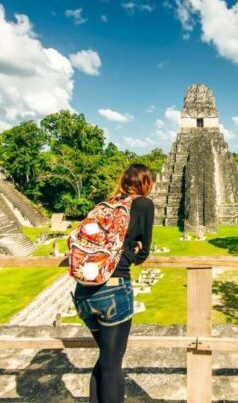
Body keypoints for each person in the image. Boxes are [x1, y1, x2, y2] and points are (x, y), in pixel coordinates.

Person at [72, 163, 155, 403]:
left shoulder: (106, 205)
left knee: (105, 360)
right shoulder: (143, 204)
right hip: (113, 289)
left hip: (83, 292)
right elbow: (143, 252)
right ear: (145, 183)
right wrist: (135, 251)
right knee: (112, 365)